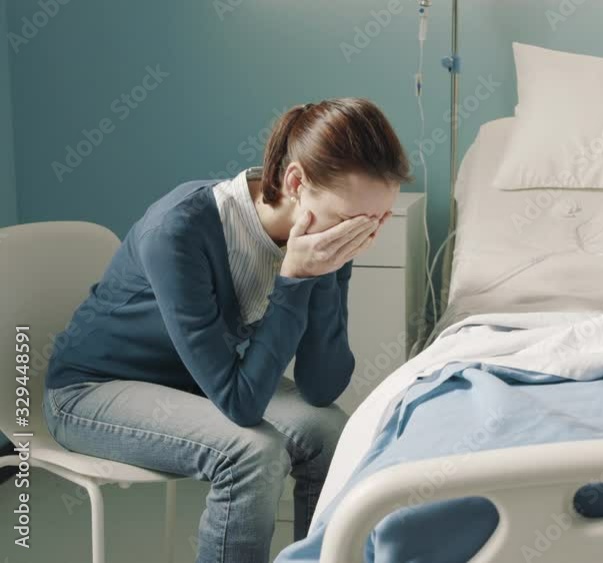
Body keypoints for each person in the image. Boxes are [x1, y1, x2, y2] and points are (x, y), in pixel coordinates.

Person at [43, 98, 410, 563]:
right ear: (296, 182)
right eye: (351, 221)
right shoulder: (179, 229)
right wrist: (294, 279)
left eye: (378, 221)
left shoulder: (324, 235)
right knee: (251, 453)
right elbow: (240, 403)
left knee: (330, 429)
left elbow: (321, 387)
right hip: (91, 391)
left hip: (199, 380)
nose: (362, 235)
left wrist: (322, 274)